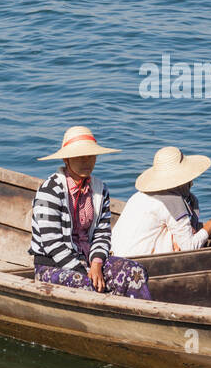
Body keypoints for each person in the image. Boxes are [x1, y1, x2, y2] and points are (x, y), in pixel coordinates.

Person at [29, 126, 150, 299]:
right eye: (80, 156)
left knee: (135, 271)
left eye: (91, 155)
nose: (87, 161)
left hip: (88, 260)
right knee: (86, 285)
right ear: (66, 159)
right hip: (53, 266)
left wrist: (96, 264)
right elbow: (52, 244)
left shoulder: (100, 189)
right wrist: (84, 271)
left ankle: (141, 315)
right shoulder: (49, 190)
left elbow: (102, 234)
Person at [112, 146, 211, 257]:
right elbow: (189, 248)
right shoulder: (173, 203)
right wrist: (210, 225)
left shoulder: (138, 196)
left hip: (113, 254)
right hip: (135, 264)